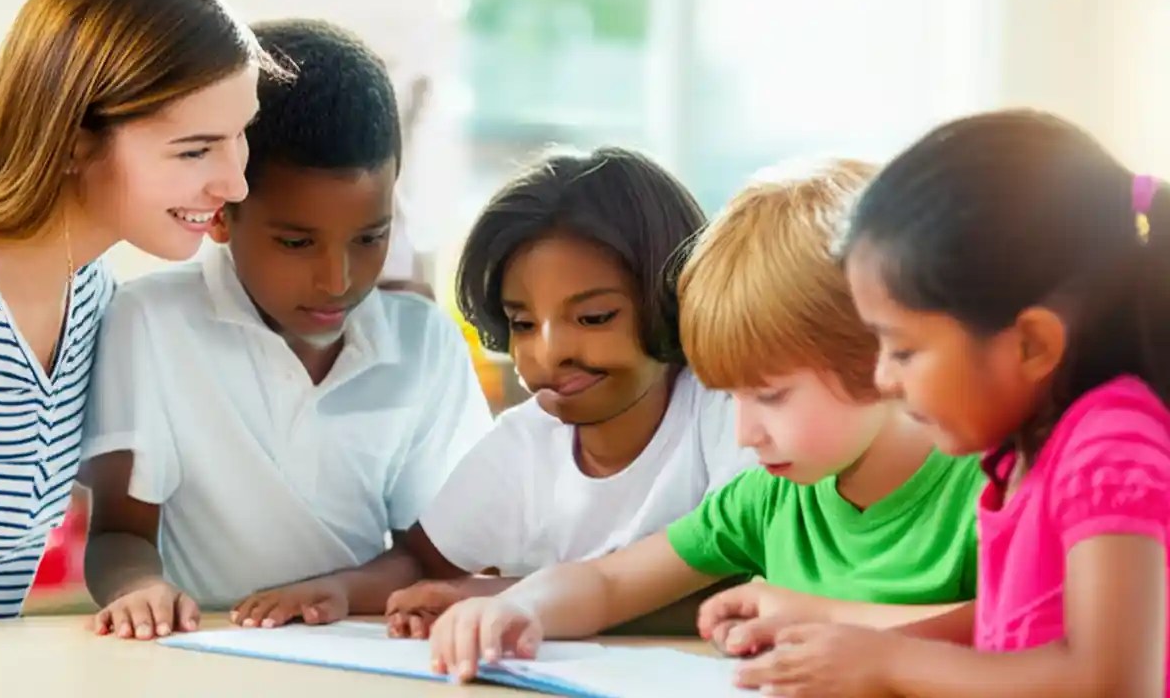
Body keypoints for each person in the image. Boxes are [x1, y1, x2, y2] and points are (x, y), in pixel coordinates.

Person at [427, 158, 985, 682]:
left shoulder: (990, 488)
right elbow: (608, 581)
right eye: (731, 397)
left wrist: (816, 615)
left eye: (770, 395)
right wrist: (518, 607)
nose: (745, 433)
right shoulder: (769, 498)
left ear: (879, 350)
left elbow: (1035, 635)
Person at [80, 18, 492, 641]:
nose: (337, 279)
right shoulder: (150, 324)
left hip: (366, 651)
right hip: (205, 652)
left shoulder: (424, 345)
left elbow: (440, 554)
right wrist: (141, 589)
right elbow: (118, 533)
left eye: (369, 237)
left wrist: (341, 592)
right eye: (296, 242)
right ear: (221, 213)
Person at [737, 110, 1170, 697]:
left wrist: (889, 664)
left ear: (1031, 343)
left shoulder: (1110, 448)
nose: (883, 378)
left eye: (904, 350)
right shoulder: (1027, 452)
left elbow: (1110, 684)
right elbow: (1009, 634)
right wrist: (861, 646)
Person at [0, 0, 262, 623]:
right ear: (70, 139)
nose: (235, 181)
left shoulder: (92, 297)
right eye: (196, 149)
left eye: (240, 136)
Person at [383, 148, 757, 639]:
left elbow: (740, 590)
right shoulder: (525, 441)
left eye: (594, 318)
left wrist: (508, 598)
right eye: (522, 324)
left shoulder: (727, 408)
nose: (551, 351)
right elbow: (421, 562)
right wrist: (339, 592)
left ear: (671, 295)